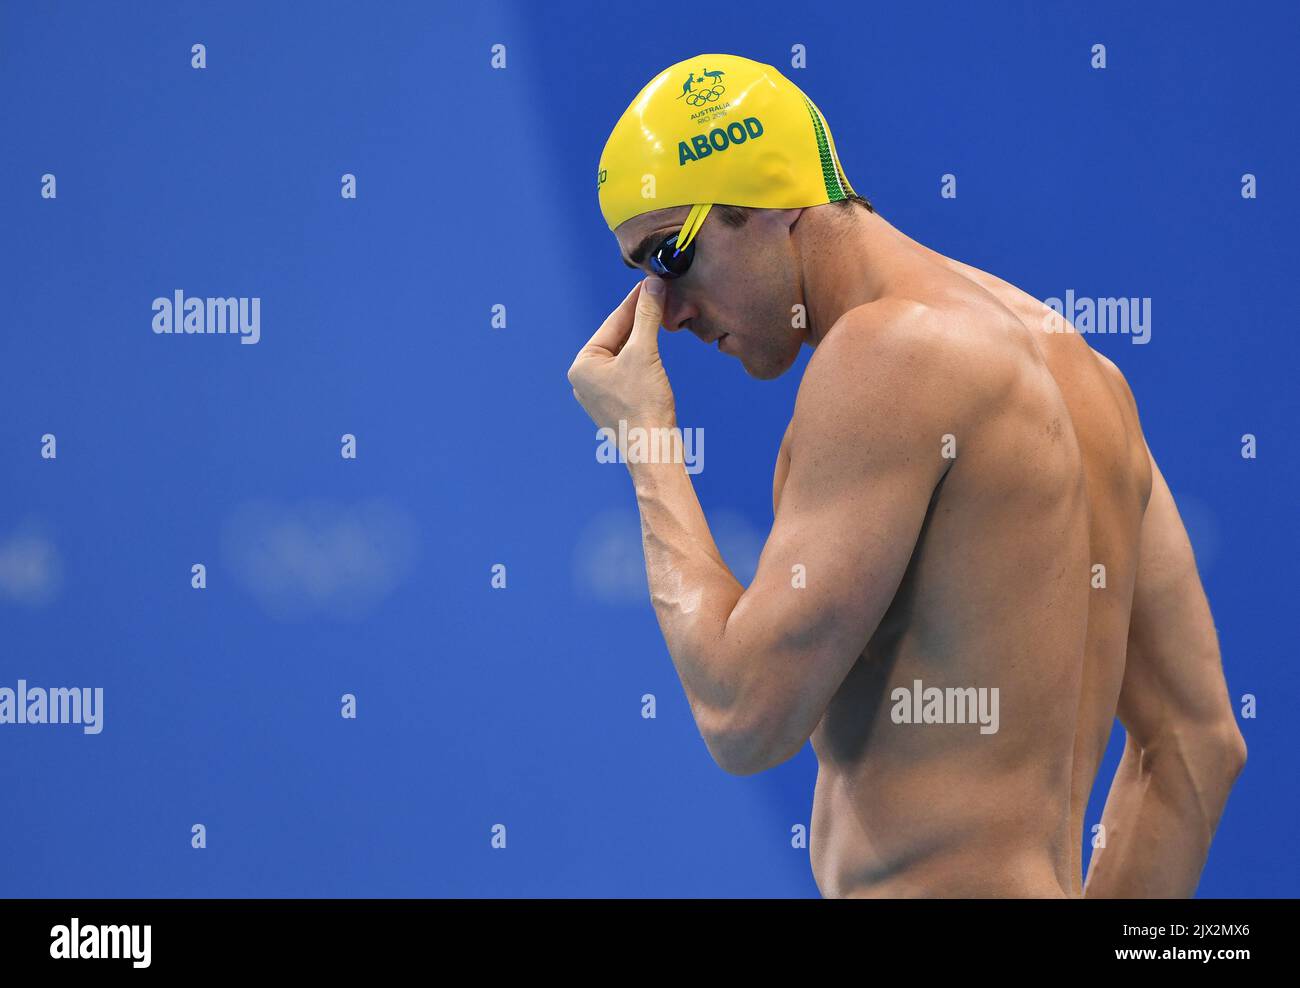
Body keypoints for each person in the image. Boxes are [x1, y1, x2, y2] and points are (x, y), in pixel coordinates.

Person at [568, 53, 1246, 897]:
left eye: (670, 257)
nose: (662, 314)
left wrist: (646, 438)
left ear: (772, 202)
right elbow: (1197, 745)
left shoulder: (890, 356)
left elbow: (743, 717)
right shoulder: (1089, 377)